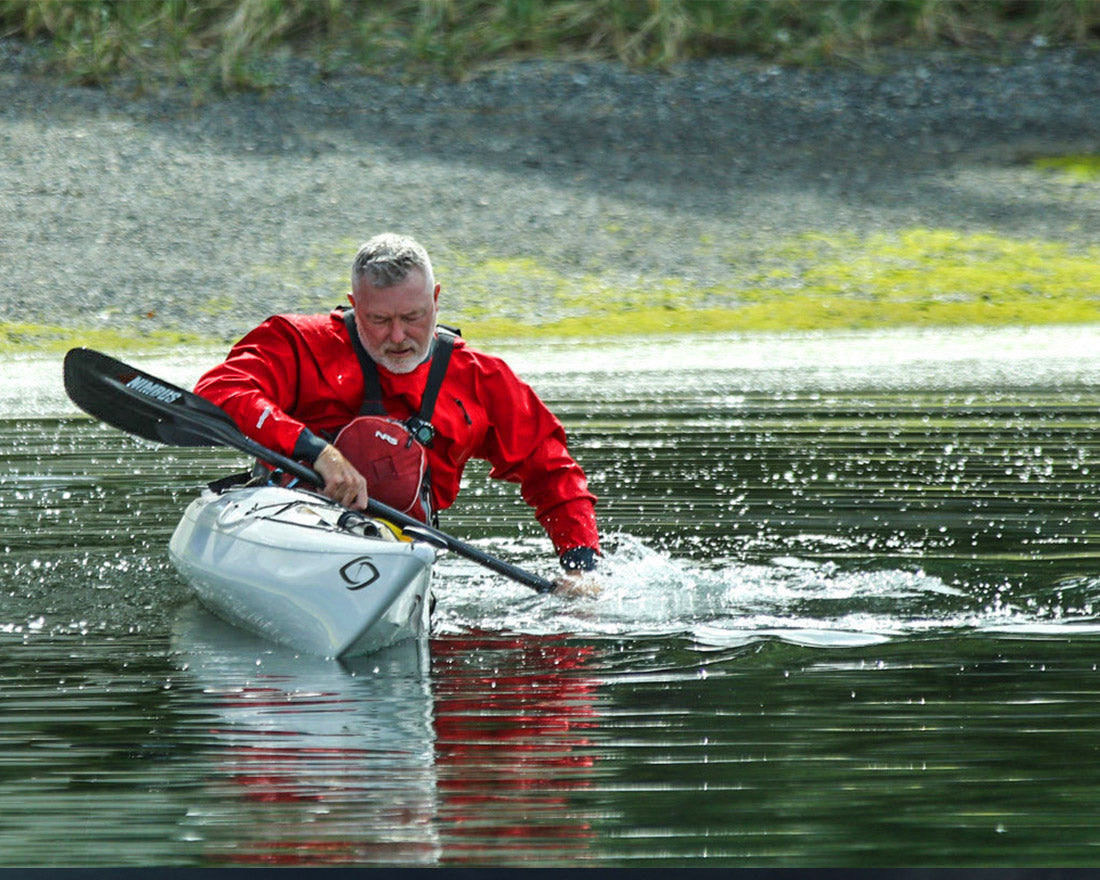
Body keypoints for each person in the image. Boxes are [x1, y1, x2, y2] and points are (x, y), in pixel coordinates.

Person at [193, 233, 600, 595]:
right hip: (288, 528)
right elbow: (220, 390)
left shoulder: (482, 379)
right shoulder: (298, 342)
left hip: (400, 555)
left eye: (413, 317)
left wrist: (580, 567)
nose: (399, 336)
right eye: (379, 320)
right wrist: (317, 451)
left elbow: (551, 470)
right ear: (355, 306)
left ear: (436, 300)